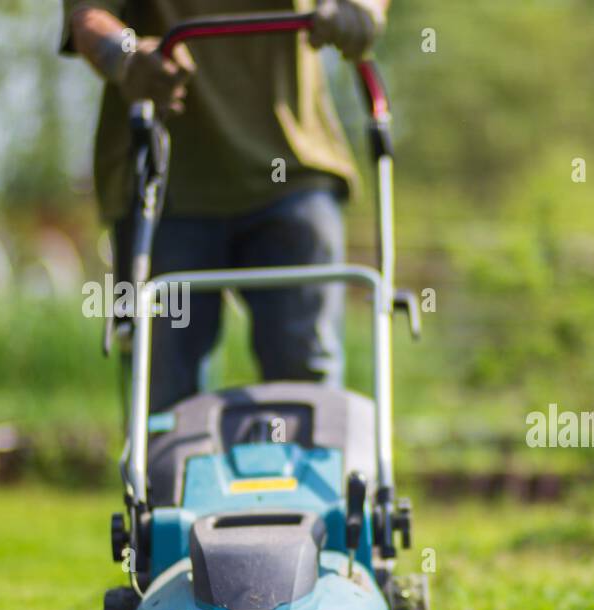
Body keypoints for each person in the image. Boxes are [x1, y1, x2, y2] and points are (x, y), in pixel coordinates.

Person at [61, 0, 390, 412]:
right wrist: (126, 54)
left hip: (293, 169)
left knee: (307, 381)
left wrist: (361, 8)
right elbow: (87, 16)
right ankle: (168, 475)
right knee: (163, 392)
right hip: (164, 185)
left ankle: (307, 472)